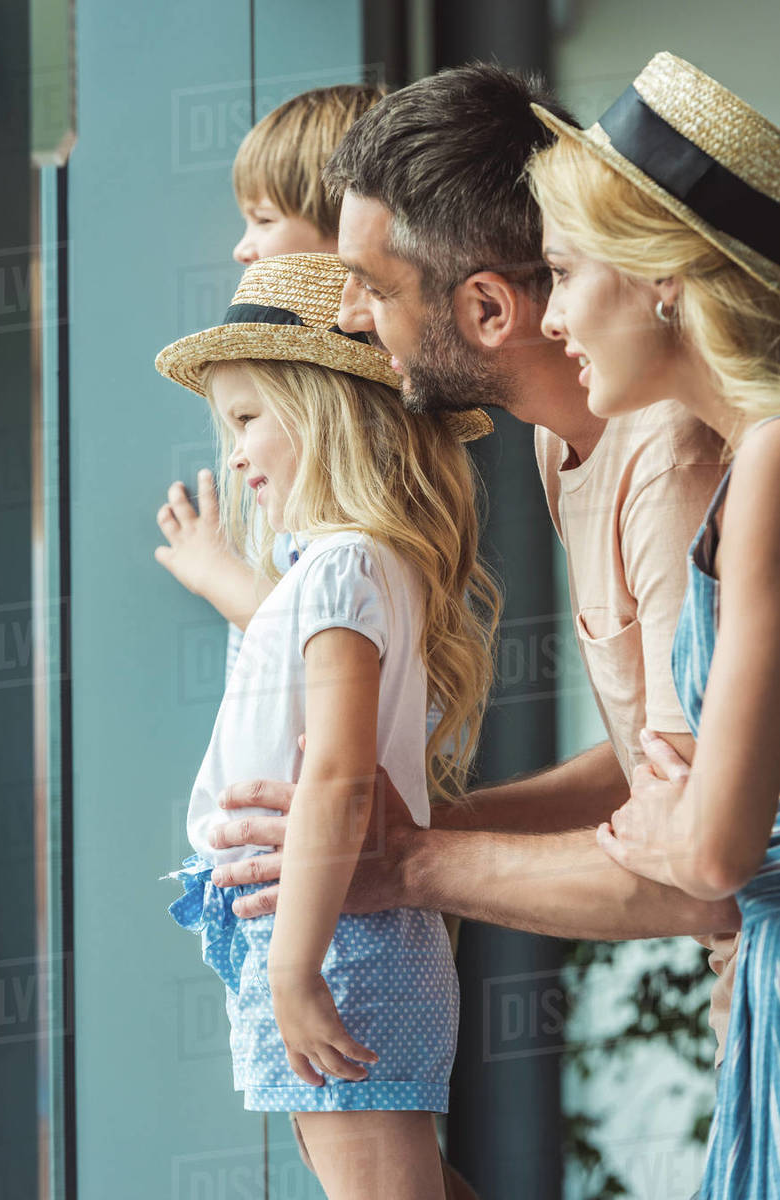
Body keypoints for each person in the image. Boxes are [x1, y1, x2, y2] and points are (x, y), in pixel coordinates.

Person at [205, 64, 740, 1197]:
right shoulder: (563, 442)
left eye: (363, 285)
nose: (346, 317)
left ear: (486, 311)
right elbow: (651, 756)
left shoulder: (676, 465)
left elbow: (704, 867)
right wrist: (425, 827)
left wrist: (411, 862)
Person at [156, 251, 499, 1200]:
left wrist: (296, 969)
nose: (232, 453)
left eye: (246, 419)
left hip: (335, 937)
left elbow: (339, 776)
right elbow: (287, 644)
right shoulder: (340, 569)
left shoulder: (344, 568)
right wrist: (217, 571)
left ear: (323, 409)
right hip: (319, 932)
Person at [528, 51, 780, 1199]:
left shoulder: (770, 459)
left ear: (666, 275)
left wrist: (659, 824)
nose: (551, 314)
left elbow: (715, 855)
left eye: (567, 271)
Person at [154, 83, 383, 679]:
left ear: (347, 231)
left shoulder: (360, 431)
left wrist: (214, 573)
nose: (241, 247)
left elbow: (325, 628)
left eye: (262, 219)